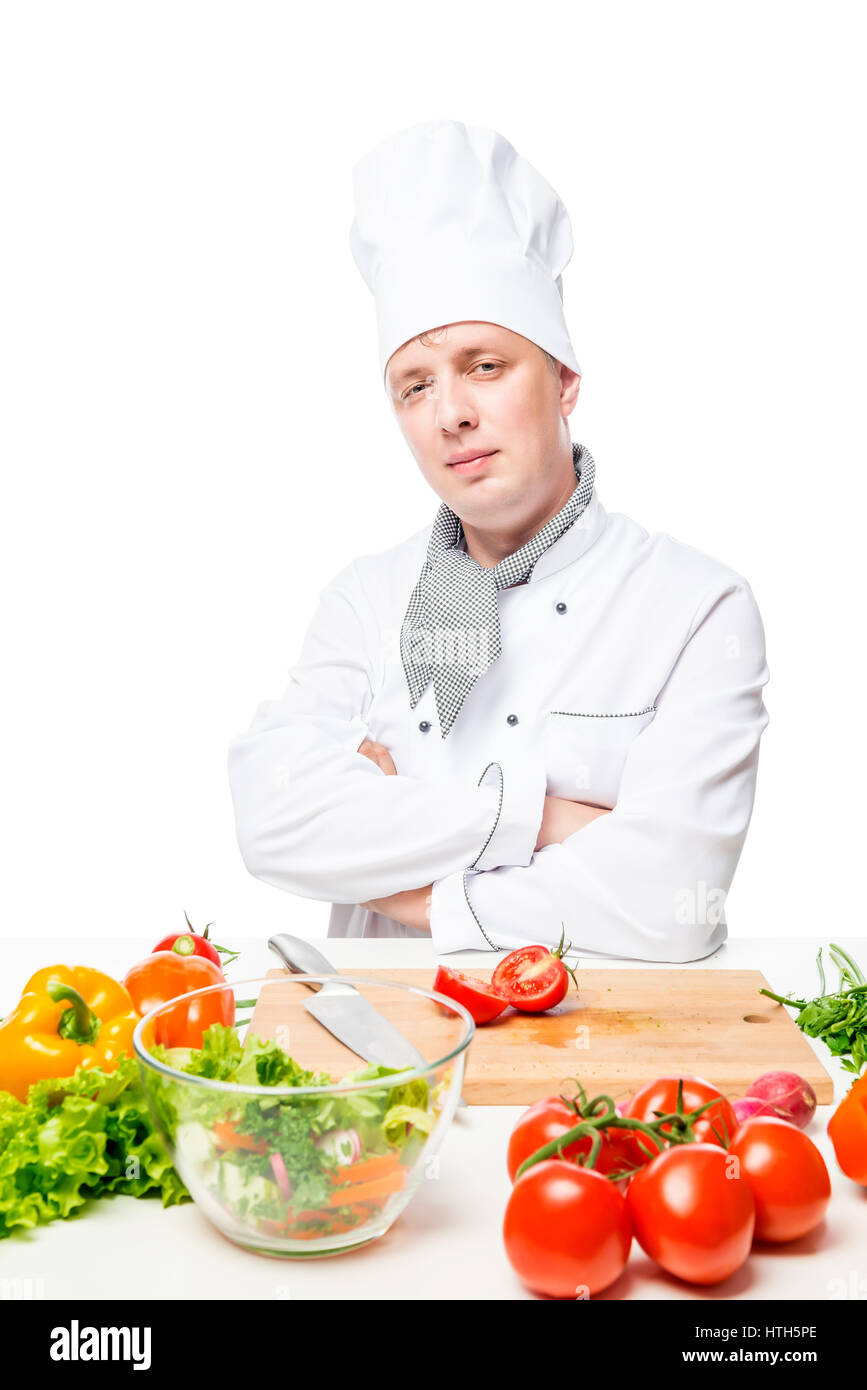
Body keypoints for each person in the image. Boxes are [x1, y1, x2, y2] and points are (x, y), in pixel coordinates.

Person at [227, 120, 770, 962]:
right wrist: (545, 817)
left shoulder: (696, 605)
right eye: (414, 386)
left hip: (601, 1057)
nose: (450, 414)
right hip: (387, 1048)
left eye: (484, 365)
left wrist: (383, 854)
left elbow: (670, 903)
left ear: (563, 380)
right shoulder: (364, 599)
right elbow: (273, 820)